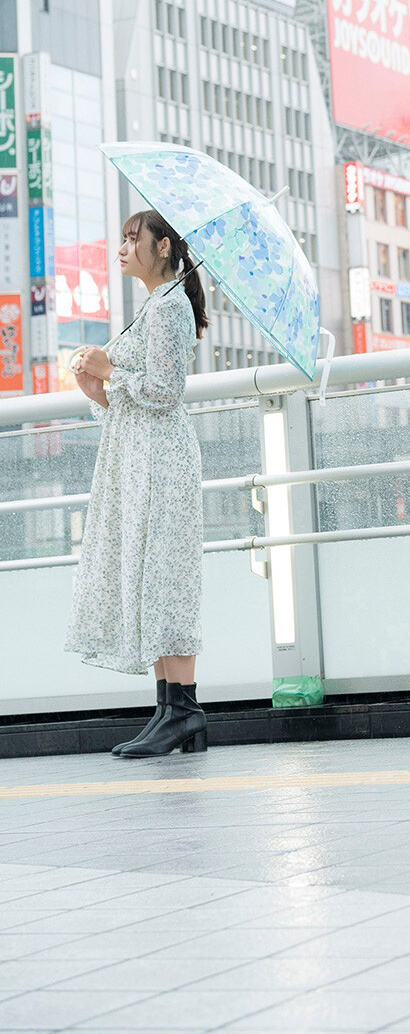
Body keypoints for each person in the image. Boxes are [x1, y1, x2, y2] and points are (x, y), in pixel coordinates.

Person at [65, 209, 209, 757]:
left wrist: (109, 371)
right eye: (122, 239)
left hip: (164, 465)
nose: (123, 248)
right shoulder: (154, 306)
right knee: (152, 583)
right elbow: (129, 402)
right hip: (139, 460)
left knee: (168, 583)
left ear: (164, 247)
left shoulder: (170, 308)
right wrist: (92, 383)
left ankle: (184, 710)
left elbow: (166, 392)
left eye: (134, 239)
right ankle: (170, 709)